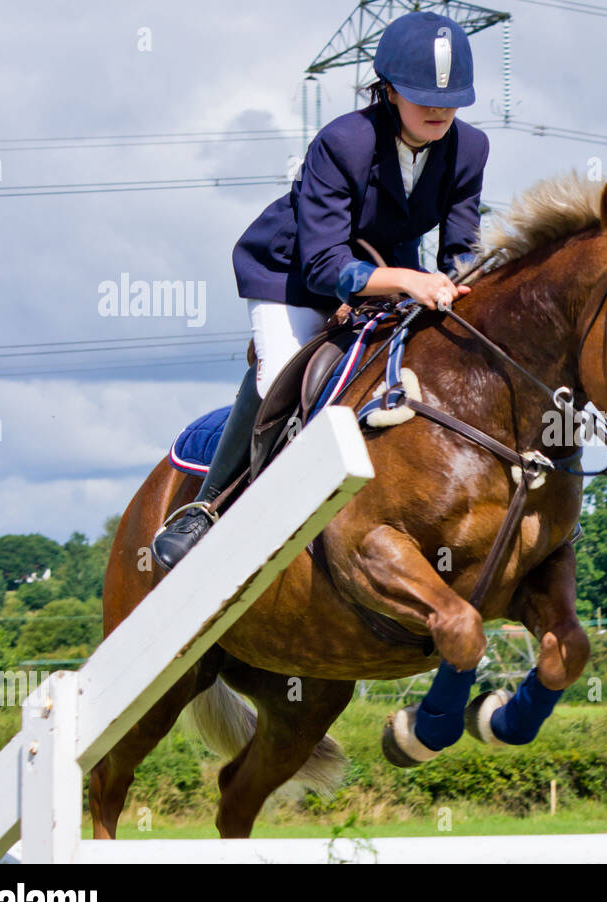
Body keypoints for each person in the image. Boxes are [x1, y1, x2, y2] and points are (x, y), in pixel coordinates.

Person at [152, 11, 488, 569]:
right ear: (388, 90)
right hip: (295, 271)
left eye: (451, 99)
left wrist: (465, 283)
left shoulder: (468, 148)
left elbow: (461, 246)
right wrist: (410, 279)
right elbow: (324, 265)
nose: (439, 110)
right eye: (423, 96)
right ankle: (206, 508)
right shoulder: (344, 142)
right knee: (284, 366)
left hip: (392, 271)